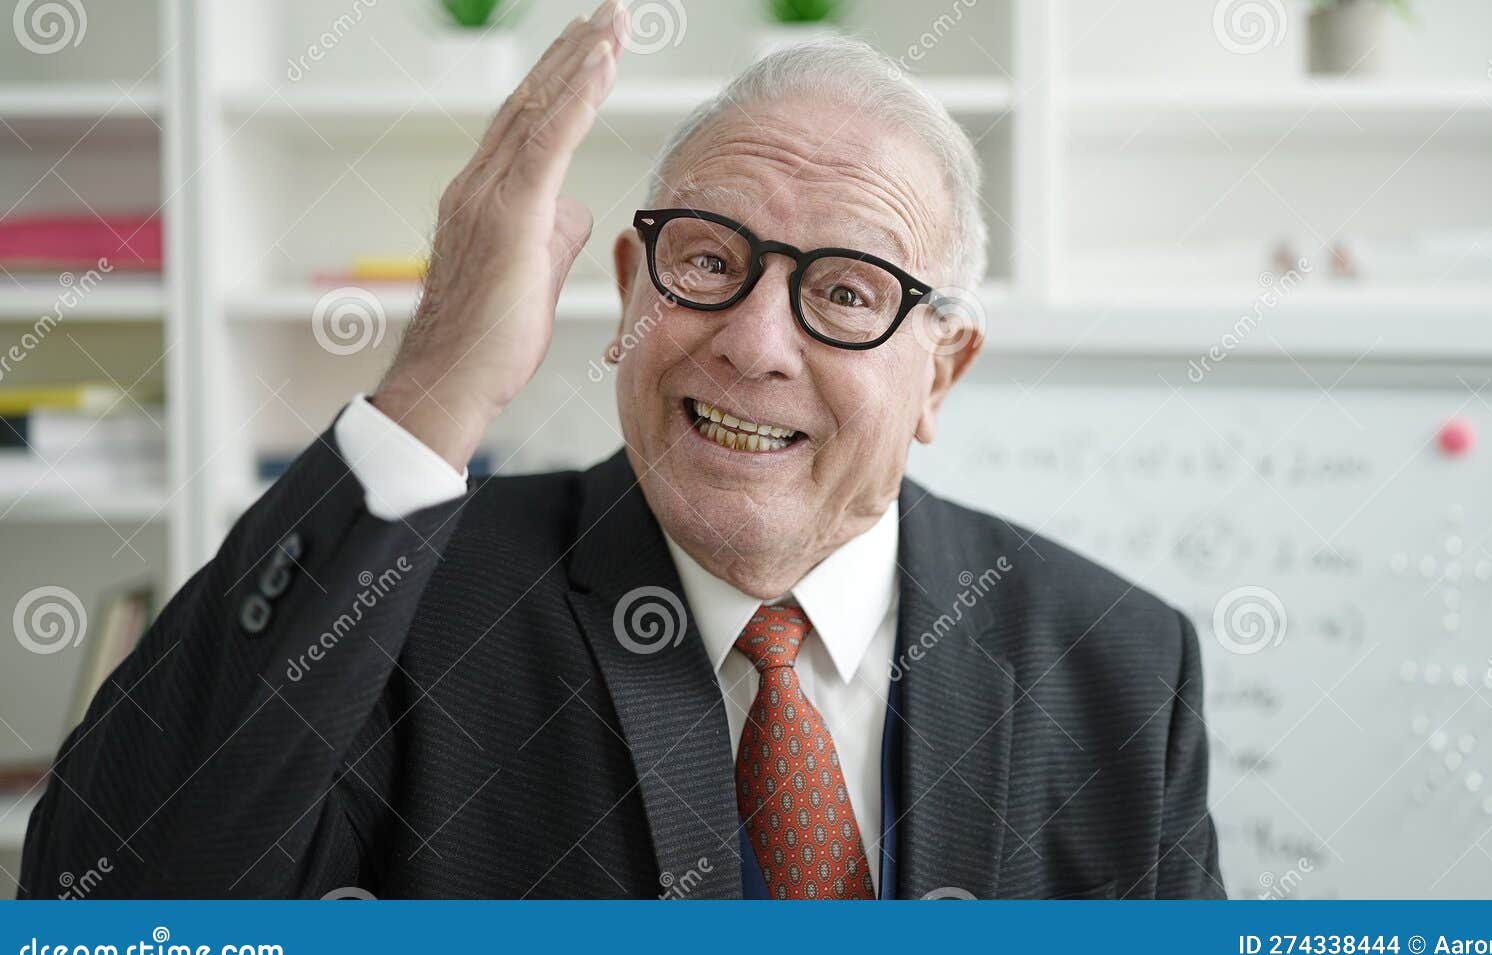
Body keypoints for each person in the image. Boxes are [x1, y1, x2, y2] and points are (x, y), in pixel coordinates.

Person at [20, 0, 1223, 900]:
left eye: (847, 293)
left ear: (940, 373)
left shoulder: (1119, 666)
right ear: (631, 287)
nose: (753, 343)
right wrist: (436, 382)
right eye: (706, 261)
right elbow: (102, 912)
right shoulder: (403, 603)